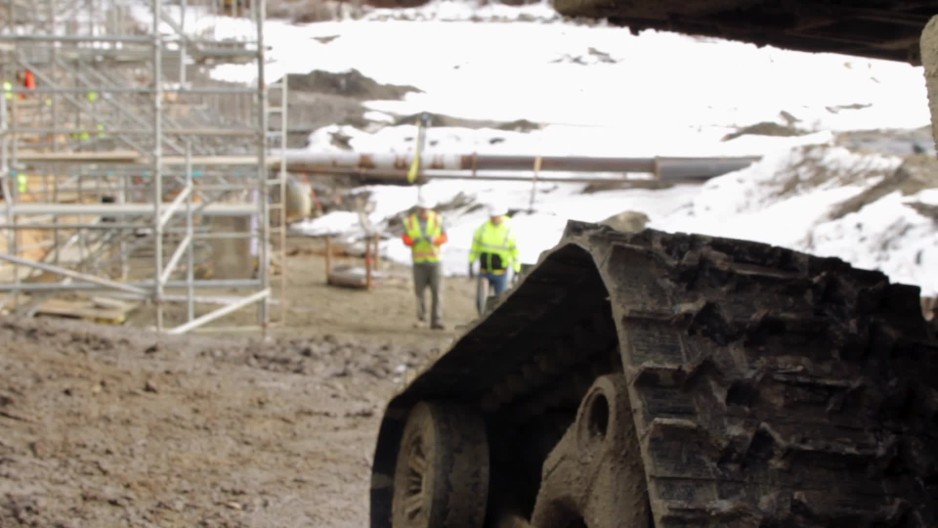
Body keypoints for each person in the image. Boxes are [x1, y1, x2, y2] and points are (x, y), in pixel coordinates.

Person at [402, 198, 448, 330]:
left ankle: (436, 320)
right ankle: (422, 318)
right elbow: (405, 238)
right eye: (421, 210)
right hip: (419, 262)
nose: (423, 212)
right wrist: (412, 241)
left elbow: (445, 237)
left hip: (435, 262)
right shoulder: (410, 221)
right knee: (419, 293)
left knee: (437, 292)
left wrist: (435, 240)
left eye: (425, 210)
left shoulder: (437, 220)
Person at [468, 204, 520, 314]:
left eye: (496, 216)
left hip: (500, 273)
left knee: (500, 302)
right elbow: (475, 248)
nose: (494, 218)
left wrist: (516, 269)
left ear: (502, 215)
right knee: (481, 303)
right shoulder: (482, 229)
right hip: (484, 272)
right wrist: (471, 263)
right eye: (492, 216)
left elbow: (515, 252)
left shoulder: (509, 230)